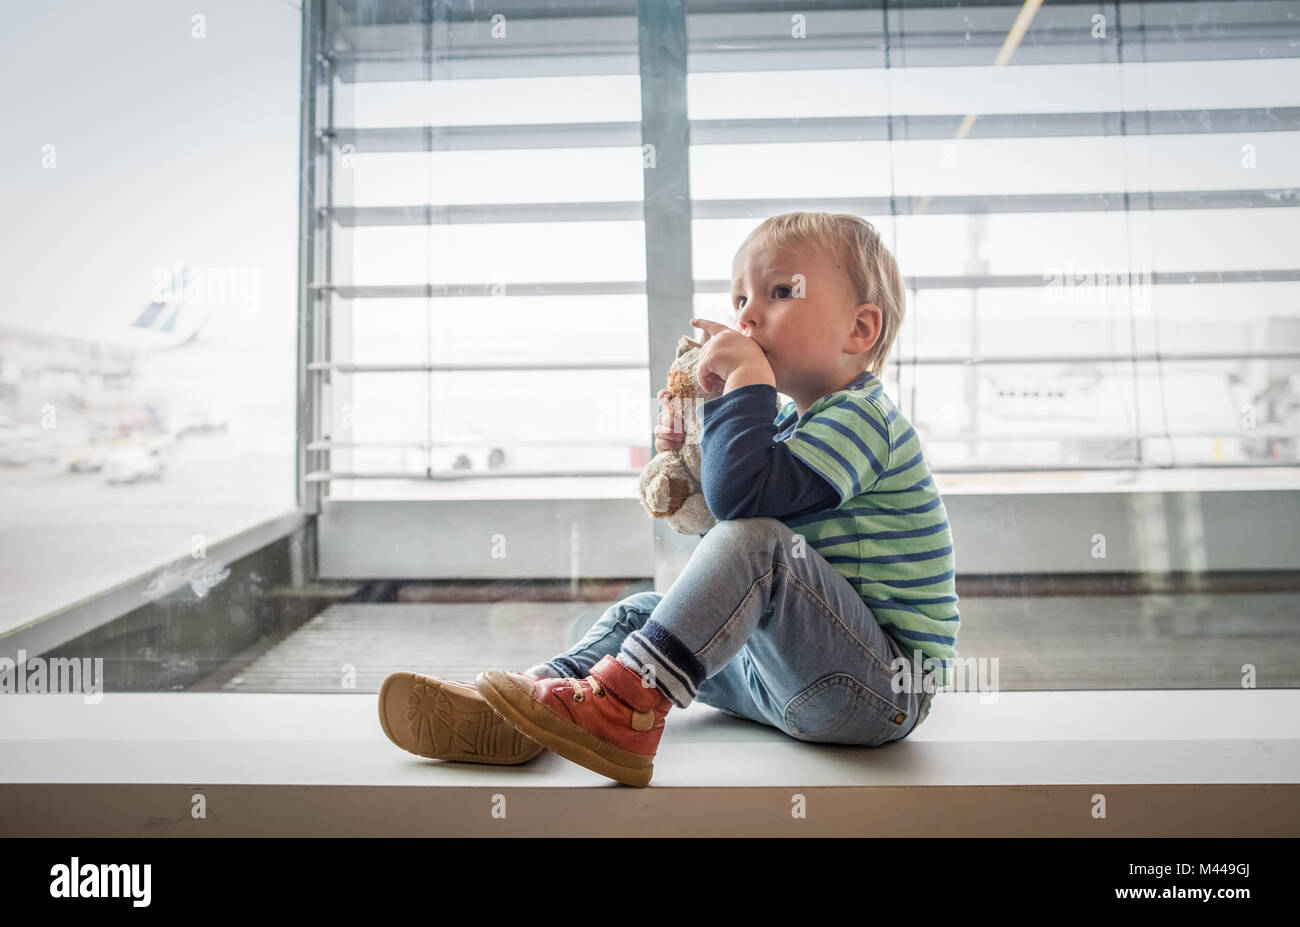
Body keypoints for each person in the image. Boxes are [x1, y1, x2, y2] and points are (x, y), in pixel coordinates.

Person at [379, 212, 960, 787]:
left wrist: (748, 384)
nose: (748, 315)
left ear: (859, 330)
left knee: (758, 542)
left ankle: (621, 712)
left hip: (877, 689)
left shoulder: (864, 418)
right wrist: (689, 448)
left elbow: (744, 517)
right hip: (788, 677)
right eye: (739, 301)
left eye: (781, 292)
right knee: (641, 615)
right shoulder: (787, 425)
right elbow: (717, 517)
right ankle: (533, 707)